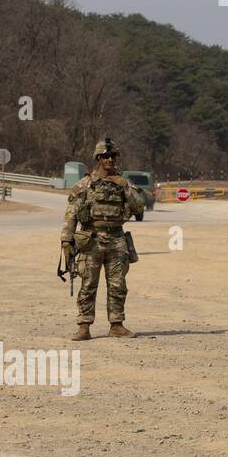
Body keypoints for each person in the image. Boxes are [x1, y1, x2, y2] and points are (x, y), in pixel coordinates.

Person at [60, 138, 146, 340]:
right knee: (88, 284)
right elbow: (71, 213)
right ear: (98, 158)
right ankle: (84, 326)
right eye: (106, 156)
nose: (110, 159)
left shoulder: (123, 183)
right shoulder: (86, 184)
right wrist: (66, 241)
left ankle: (117, 324)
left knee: (117, 285)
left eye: (113, 156)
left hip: (116, 239)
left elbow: (139, 205)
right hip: (92, 239)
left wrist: (124, 185)